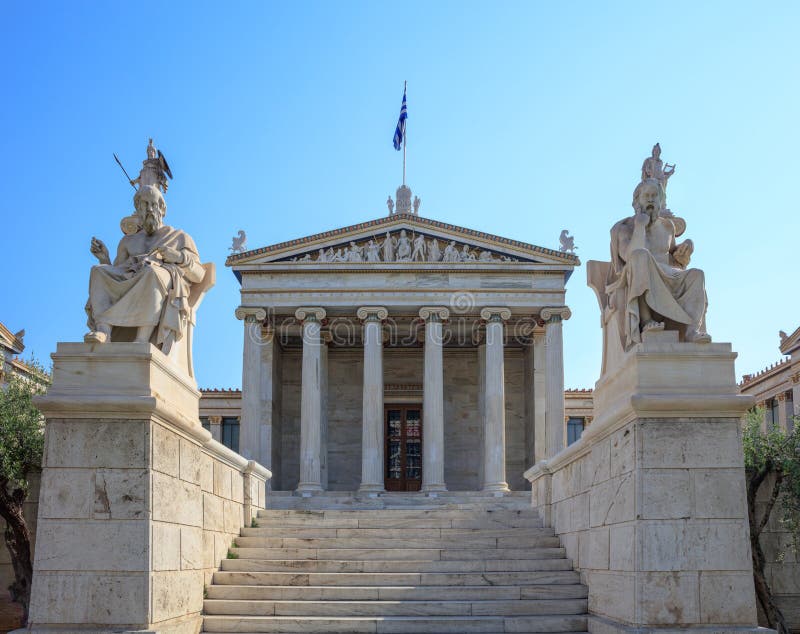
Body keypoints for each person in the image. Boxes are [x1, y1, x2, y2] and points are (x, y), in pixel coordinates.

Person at [85, 185, 205, 349]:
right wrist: (104, 259)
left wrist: (178, 257)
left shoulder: (179, 237)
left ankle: (142, 338)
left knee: (151, 272)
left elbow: (199, 274)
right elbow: (116, 278)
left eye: (152, 204)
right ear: (137, 209)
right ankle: (104, 331)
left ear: (162, 208)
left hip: (155, 277)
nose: (149, 209)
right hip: (133, 277)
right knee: (97, 272)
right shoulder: (128, 241)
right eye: (143, 205)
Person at [607, 178, 710, 348]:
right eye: (646, 196)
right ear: (637, 202)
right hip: (640, 273)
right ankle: (646, 321)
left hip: (667, 274)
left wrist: (685, 249)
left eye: (654, 196)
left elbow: (673, 257)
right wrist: (640, 226)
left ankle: (692, 331)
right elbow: (629, 256)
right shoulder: (624, 228)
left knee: (697, 274)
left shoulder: (668, 226)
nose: (650, 199)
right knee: (640, 256)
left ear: (660, 201)